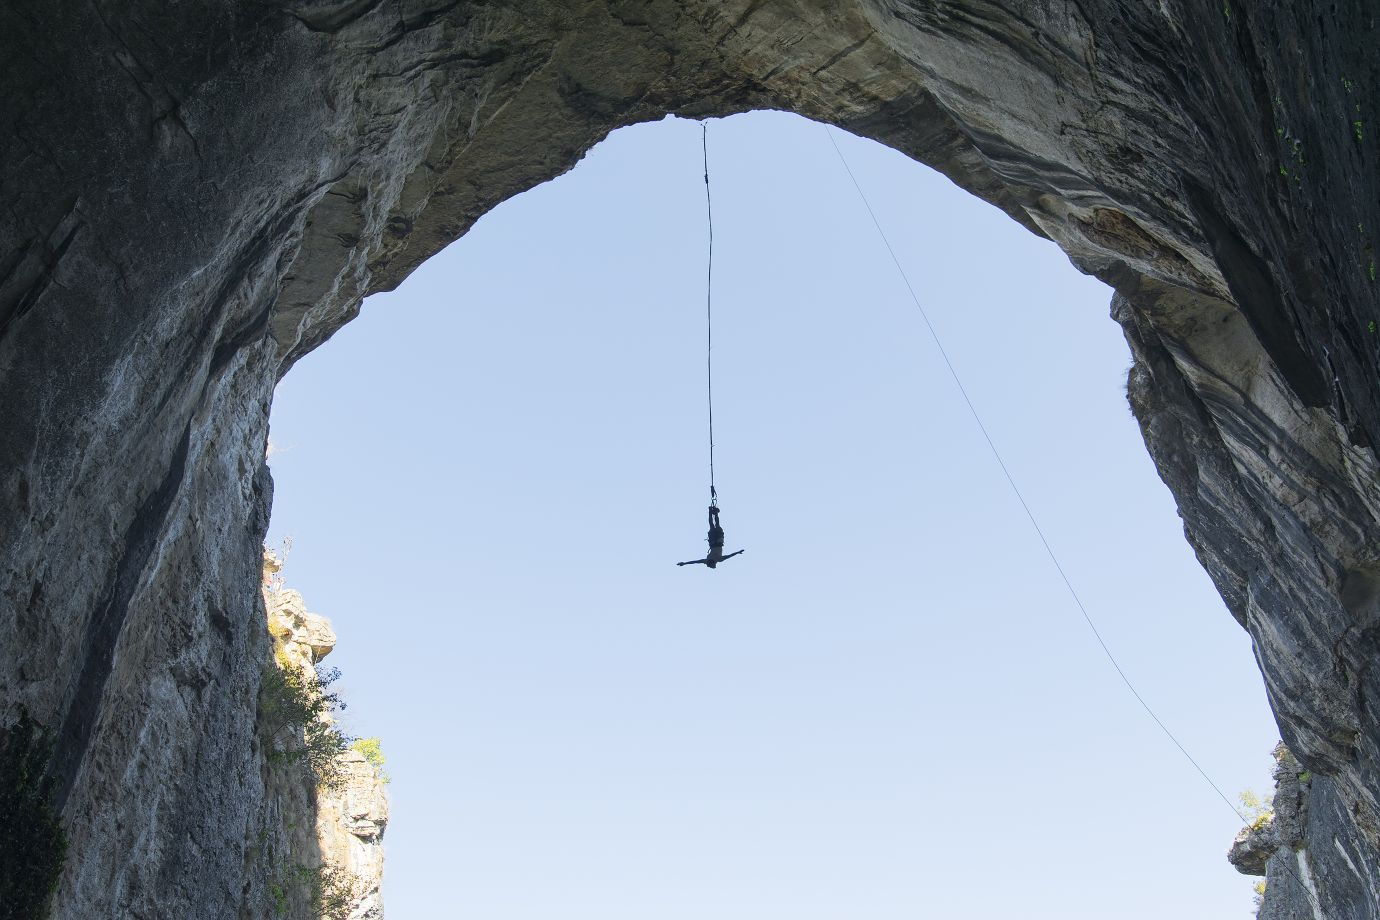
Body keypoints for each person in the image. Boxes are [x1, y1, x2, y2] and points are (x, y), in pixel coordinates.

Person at [677, 505, 744, 568]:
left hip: (715, 542)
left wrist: (684, 563)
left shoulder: (710, 560)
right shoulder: (716, 559)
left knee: (714, 525)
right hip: (716, 542)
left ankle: (713, 512)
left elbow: (695, 562)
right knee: (715, 525)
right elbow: (729, 556)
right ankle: (713, 512)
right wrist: (738, 552)